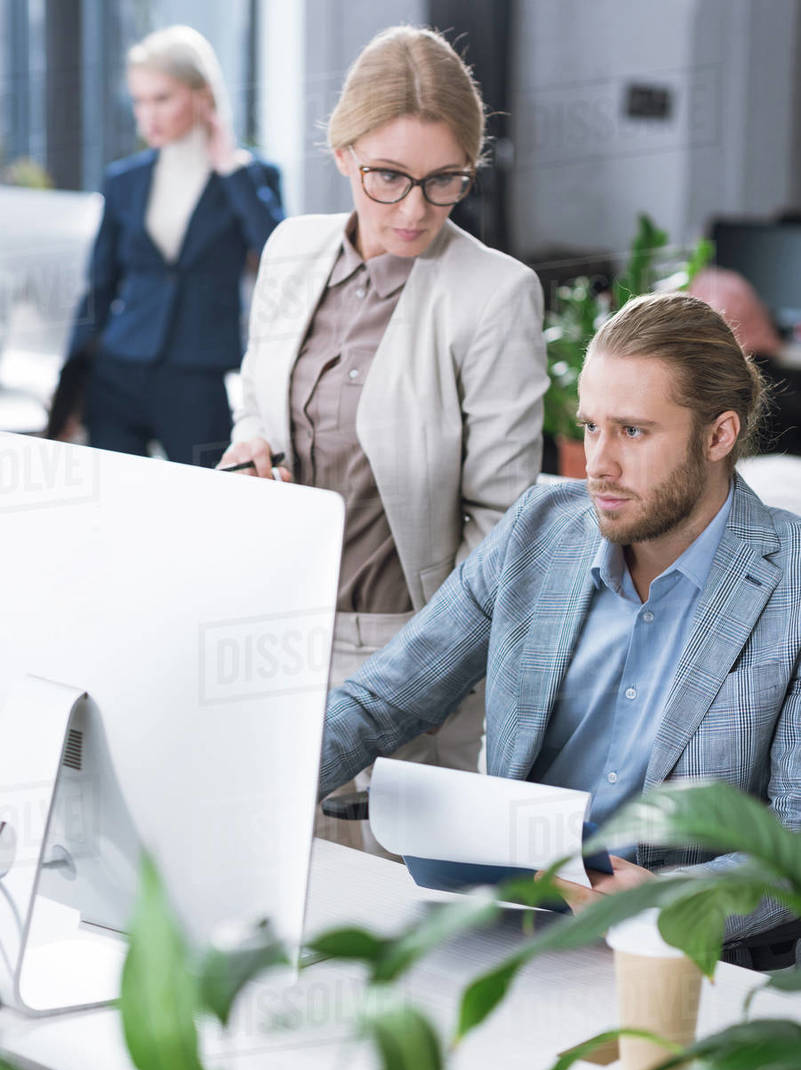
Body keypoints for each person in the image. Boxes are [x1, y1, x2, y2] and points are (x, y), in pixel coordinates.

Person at [319, 291, 801, 960]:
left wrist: (658, 903)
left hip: (687, 958)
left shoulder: (792, 583)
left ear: (718, 435)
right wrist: (254, 789)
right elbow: (383, 699)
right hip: (510, 926)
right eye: (590, 427)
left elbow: (793, 841)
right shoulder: (538, 529)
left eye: (631, 431)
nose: (597, 462)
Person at [220, 26, 548, 801]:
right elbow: (253, 401)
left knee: (395, 902)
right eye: (387, 177)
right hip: (276, 632)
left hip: (408, 645)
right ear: (342, 154)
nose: (414, 208)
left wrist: (429, 674)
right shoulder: (290, 250)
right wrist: (251, 448)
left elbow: (501, 525)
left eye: (445, 180)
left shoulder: (493, 294)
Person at [50, 25, 284, 466]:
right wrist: (69, 382)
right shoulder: (124, 181)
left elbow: (280, 260)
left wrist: (231, 167)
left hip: (197, 375)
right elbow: (99, 289)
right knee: (116, 510)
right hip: (117, 371)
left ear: (202, 95)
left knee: (204, 509)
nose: (147, 115)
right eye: (139, 100)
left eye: (162, 98)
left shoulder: (251, 178)